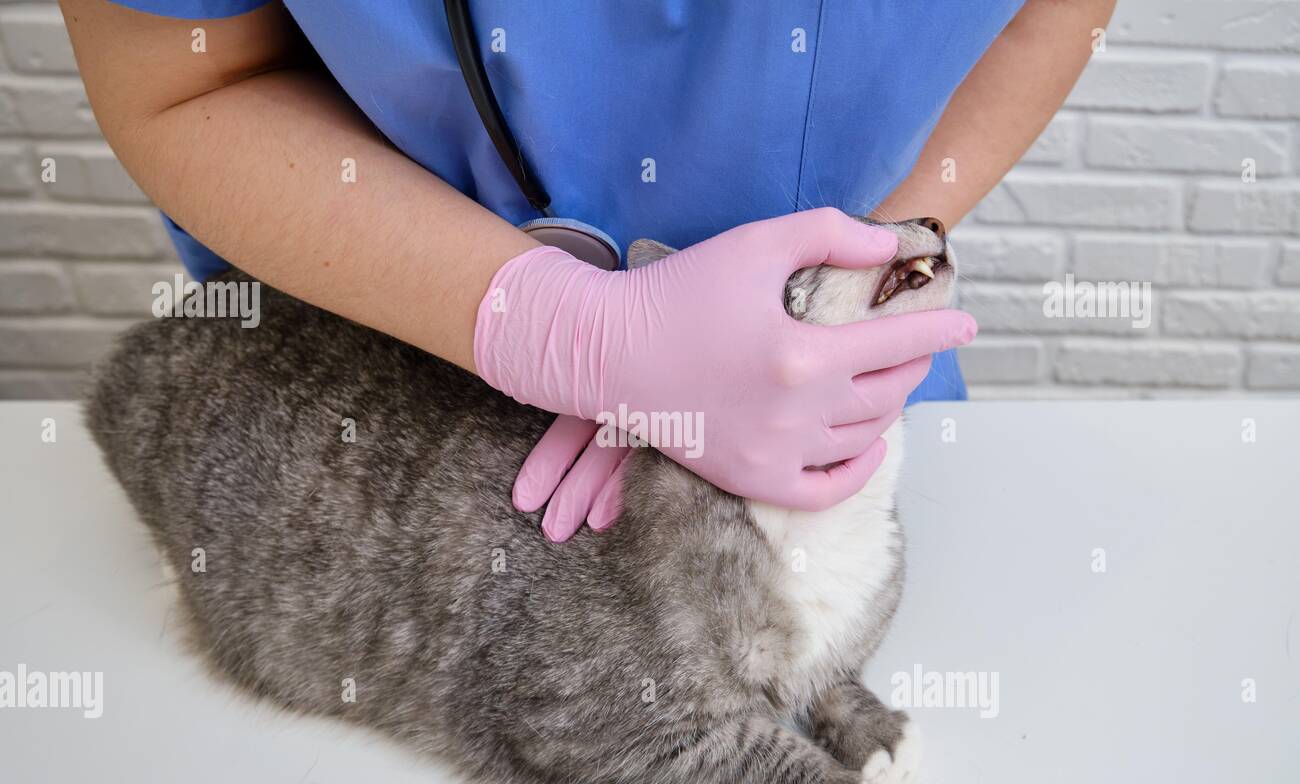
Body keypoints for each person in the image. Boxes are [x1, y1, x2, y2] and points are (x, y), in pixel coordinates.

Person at [63, 0, 1113, 540]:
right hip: (377, 422)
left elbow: (1055, 11)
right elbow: (187, 83)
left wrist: (852, 284)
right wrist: (562, 329)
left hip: (837, 414)